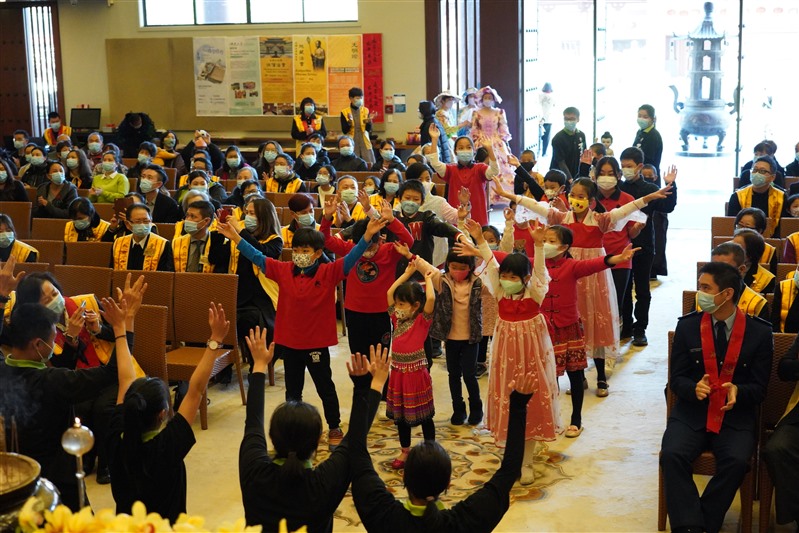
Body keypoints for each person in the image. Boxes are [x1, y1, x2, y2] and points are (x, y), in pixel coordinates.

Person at [218, 212, 388, 451]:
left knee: (325, 387)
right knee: (292, 391)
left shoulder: (329, 273)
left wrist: (368, 235)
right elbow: (256, 256)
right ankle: (292, 431)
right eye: (296, 249)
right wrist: (235, 237)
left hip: (316, 343)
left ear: (318, 253)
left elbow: (352, 258)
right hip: (290, 342)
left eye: (305, 250)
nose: (299, 255)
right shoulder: (283, 270)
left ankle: (335, 426)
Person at [494, 176, 671, 396]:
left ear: (591, 200)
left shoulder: (601, 220)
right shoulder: (560, 217)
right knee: (571, 325)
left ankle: (601, 378)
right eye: (573, 195)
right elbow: (532, 205)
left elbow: (626, 209)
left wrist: (650, 197)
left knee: (596, 321)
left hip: (593, 276)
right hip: (567, 275)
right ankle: (576, 374)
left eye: (581, 196)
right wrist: (507, 194)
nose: (575, 200)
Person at [350, 352, 536, 532]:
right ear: (448, 483)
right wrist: (518, 405)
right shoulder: (465, 522)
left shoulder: (384, 517)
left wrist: (366, 387)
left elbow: (356, 454)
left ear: (404, 478)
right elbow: (509, 472)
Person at [661, 262, 772, 533]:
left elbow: (759, 388)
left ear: (727, 294)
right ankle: (690, 526)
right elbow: (676, 379)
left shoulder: (759, 332)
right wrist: (692, 388)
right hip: (692, 412)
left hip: (735, 415)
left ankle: (702, 522)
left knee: (735, 462)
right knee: (672, 454)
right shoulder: (688, 328)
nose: (700, 293)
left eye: (706, 288)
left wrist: (739, 391)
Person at [239, 331, 388, 533]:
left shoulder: (254, 470)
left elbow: (253, 422)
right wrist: (371, 385)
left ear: (272, 437)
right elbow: (355, 438)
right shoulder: (323, 483)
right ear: (318, 440)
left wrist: (258, 366)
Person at [108, 293, 228, 524]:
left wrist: (121, 327)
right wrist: (215, 340)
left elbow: (125, 379)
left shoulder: (116, 436)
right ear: (163, 413)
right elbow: (196, 390)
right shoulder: (166, 446)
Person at [465, 218, 559, 485]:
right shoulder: (500, 291)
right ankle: (512, 459)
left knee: (529, 402)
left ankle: (527, 461)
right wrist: (480, 240)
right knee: (507, 400)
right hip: (506, 354)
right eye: (504, 277)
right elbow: (492, 265)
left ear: (525, 279)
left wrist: (539, 246)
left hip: (532, 354)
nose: (506, 280)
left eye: (512, 277)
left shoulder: (535, 293)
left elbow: (540, 271)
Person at [541, 224, 637, 437]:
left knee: (575, 375)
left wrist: (619, 258)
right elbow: (506, 259)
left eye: (551, 240)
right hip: (544, 329)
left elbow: (597, 263)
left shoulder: (572, 266)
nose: (545, 244)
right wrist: (479, 247)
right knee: (549, 377)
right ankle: (552, 416)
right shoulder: (537, 264)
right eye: (544, 239)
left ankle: (576, 420)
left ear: (565, 246)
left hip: (569, 328)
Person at [321, 197, 412, 376]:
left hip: (382, 312)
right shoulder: (351, 250)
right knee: (358, 354)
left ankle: (382, 388)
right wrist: (327, 217)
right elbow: (325, 240)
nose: (367, 251)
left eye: (372, 246)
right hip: (355, 312)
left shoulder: (389, 251)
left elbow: (408, 240)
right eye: (363, 245)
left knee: (382, 354)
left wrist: (392, 220)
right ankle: (361, 387)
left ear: (381, 241)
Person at [407, 244, 484, 428]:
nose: (457, 271)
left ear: (471, 268)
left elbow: (492, 265)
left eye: (463, 268)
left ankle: (476, 408)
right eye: (454, 267)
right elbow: (424, 266)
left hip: (471, 339)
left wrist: (477, 251)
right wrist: (409, 254)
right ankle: (458, 409)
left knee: (470, 375)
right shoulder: (442, 280)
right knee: (453, 374)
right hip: (450, 338)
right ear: (448, 265)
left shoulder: (478, 283)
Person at [618, 148, 678, 346]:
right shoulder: (618, 188)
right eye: (623, 166)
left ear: (639, 167)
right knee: (624, 289)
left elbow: (667, 207)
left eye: (629, 166)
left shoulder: (649, 189)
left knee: (642, 288)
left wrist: (671, 184)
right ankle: (625, 326)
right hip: (621, 246)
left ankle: (640, 328)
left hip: (644, 244)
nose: (626, 170)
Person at [383, 264, 437, 469]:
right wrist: (405, 274)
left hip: (416, 375)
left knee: (425, 415)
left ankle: (431, 449)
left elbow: (430, 299)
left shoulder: (422, 321)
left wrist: (428, 278)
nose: (397, 307)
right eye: (396, 304)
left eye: (401, 304)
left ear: (415, 305)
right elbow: (389, 292)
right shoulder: (396, 319)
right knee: (401, 418)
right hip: (397, 374)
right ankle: (405, 451)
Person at [227, 196, 283, 362]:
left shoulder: (275, 240)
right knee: (220, 316)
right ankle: (225, 366)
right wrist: (220, 232)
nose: (247, 217)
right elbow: (217, 258)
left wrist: (240, 233)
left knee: (252, 320)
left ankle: (257, 362)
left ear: (264, 217)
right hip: (239, 293)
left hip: (262, 296)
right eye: (247, 213)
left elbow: (260, 253)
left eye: (253, 214)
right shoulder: (240, 236)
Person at [427, 124, 498, 226]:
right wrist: (434, 139)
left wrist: (490, 149)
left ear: (473, 151)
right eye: (461, 148)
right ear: (455, 151)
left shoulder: (480, 168)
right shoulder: (450, 170)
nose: (465, 150)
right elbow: (435, 163)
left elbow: (494, 171)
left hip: (478, 219)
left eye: (468, 147)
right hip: (456, 220)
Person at [727, 155, 789, 238]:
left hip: (773, 241)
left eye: (762, 171)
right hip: (743, 239)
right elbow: (732, 225)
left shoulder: (781, 197)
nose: (757, 174)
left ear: (772, 177)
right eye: (755, 170)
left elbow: (783, 227)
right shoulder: (737, 196)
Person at [471, 86, 513, 205]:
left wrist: (503, 140)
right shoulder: (476, 113)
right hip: (482, 141)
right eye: (486, 97)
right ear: (482, 99)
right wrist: (477, 140)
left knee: (501, 167)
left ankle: (501, 196)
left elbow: (503, 127)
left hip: (497, 141)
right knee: (483, 168)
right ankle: (484, 197)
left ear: (494, 99)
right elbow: (474, 128)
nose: (488, 99)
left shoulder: (499, 112)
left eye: (490, 97)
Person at [705, 242, 769, 320]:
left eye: (724, 269)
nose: (716, 274)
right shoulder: (703, 297)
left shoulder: (757, 303)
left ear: (741, 270)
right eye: (713, 268)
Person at [111, 203, 173, 272]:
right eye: (138, 221)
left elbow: (165, 276)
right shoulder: (118, 243)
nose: (142, 225)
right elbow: (112, 273)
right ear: (127, 224)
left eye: (146, 221)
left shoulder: (163, 244)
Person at [172, 200, 230, 273]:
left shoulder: (219, 244)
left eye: (193, 216)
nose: (187, 220)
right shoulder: (176, 243)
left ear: (206, 221)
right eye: (187, 215)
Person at [732, 228, 775, 294]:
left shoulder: (766, 279)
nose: (730, 250)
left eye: (737, 248)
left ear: (750, 254)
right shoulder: (720, 267)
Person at [549, 106, 587, 182]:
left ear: (578, 119)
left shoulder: (581, 135)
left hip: (576, 173)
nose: (569, 121)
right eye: (566, 119)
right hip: (560, 176)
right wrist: (570, 179)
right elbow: (560, 161)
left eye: (572, 119)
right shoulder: (558, 138)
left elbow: (584, 156)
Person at [340, 87, 376, 165]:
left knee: (369, 162)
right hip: (352, 141)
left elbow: (368, 130)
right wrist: (349, 122)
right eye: (357, 98)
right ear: (351, 98)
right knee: (353, 163)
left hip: (364, 141)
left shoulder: (366, 110)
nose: (360, 100)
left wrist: (369, 121)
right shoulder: (344, 112)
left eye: (361, 98)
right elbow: (344, 130)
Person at [633, 104, 663, 174]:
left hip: (649, 174)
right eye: (639, 116)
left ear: (653, 119)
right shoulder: (640, 132)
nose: (641, 119)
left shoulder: (653, 135)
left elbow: (648, 158)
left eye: (645, 117)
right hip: (638, 172)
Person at [539, 82, 556, 157]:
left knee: (539, 137)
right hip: (548, 120)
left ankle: (538, 152)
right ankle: (544, 152)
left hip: (539, 120)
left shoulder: (539, 96)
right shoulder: (552, 97)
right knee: (546, 138)